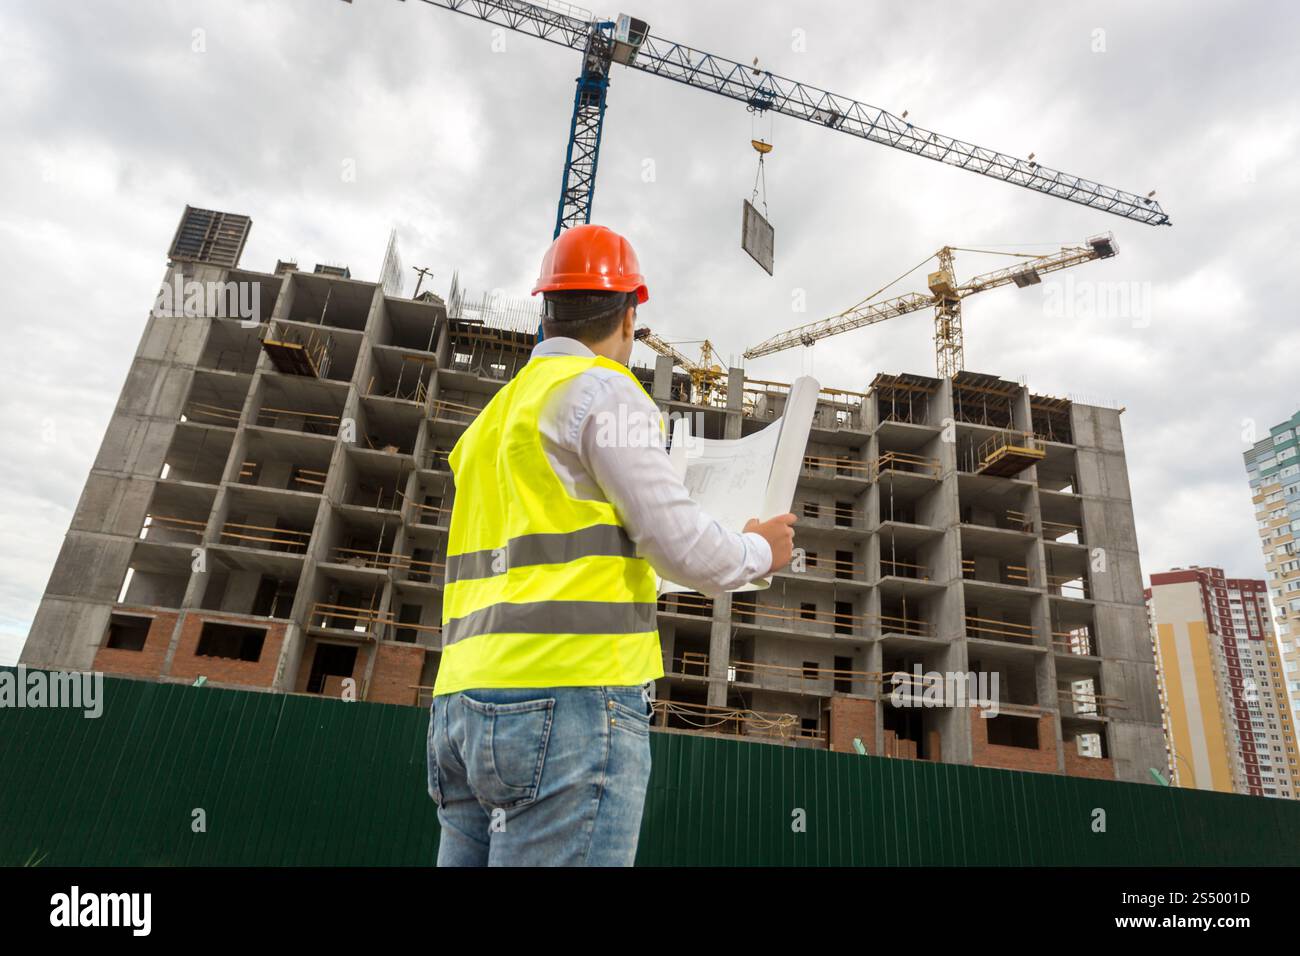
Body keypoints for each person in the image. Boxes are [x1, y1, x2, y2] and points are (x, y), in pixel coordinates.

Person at [426, 223, 797, 866]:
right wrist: (759, 550)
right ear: (630, 317)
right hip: (569, 703)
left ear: (546, 312)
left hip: (460, 708)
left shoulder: (491, 420)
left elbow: (546, 558)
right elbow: (679, 543)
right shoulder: (603, 389)